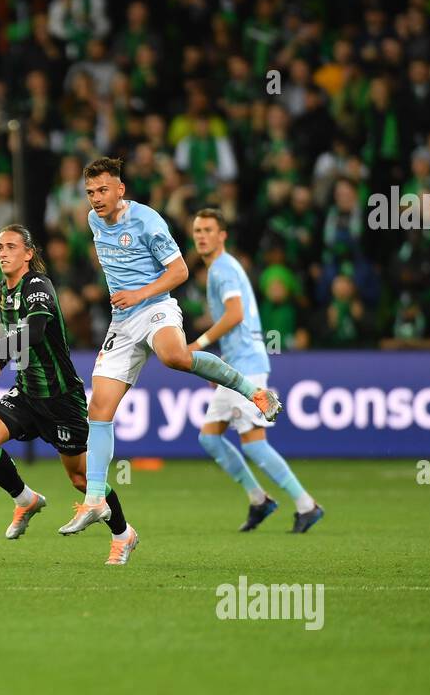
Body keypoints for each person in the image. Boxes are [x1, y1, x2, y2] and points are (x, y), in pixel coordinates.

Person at [57, 157, 281, 563]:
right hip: (122, 322)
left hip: (155, 306)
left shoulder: (147, 221)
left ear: (120, 189)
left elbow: (178, 272)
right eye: (90, 192)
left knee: (175, 357)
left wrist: (139, 295)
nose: (96, 199)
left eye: (103, 190)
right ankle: (94, 500)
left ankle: (253, 392)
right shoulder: (93, 221)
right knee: (99, 409)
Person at [0, 225, 136, 557]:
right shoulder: (1, 293)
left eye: (11, 246)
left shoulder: (38, 285)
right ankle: (25, 499)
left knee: (82, 480)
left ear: (28, 253)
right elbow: (17, 334)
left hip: (60, 398)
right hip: (26, 393)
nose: (3, 253)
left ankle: (123, 534)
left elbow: (36, 332)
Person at [190, 208, 323, 532]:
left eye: (208, 229)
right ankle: (259, 499)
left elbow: (235, 314)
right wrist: (219, 369)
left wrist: (199, 344)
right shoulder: (221, 269)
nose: (202, 236)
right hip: (236, 366)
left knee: (254, 443)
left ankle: (307, 505)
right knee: (209, 438)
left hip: (247, 368)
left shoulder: (223, 269)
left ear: (223, 235)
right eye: (197, 231)